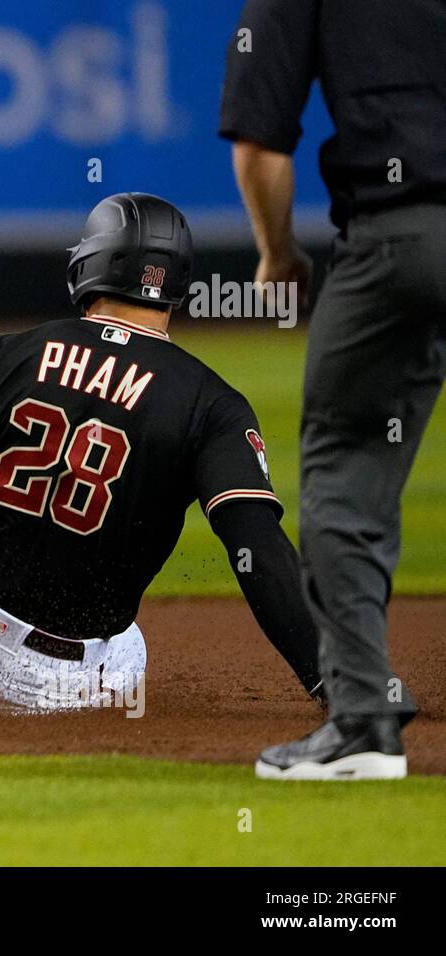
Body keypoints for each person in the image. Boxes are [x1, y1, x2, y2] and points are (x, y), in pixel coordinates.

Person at [0, 193, 323, 715]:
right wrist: (332, 682)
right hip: (64, 686)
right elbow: (261, 556)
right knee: (128, 643)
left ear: (88, 265)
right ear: (177, 285)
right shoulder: (213, 404)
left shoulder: (8, 354)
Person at [220, 0, 444, 779]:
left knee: (345, 477)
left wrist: (277, 256)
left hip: (403, 234)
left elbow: (260, 144)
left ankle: (361, 724)